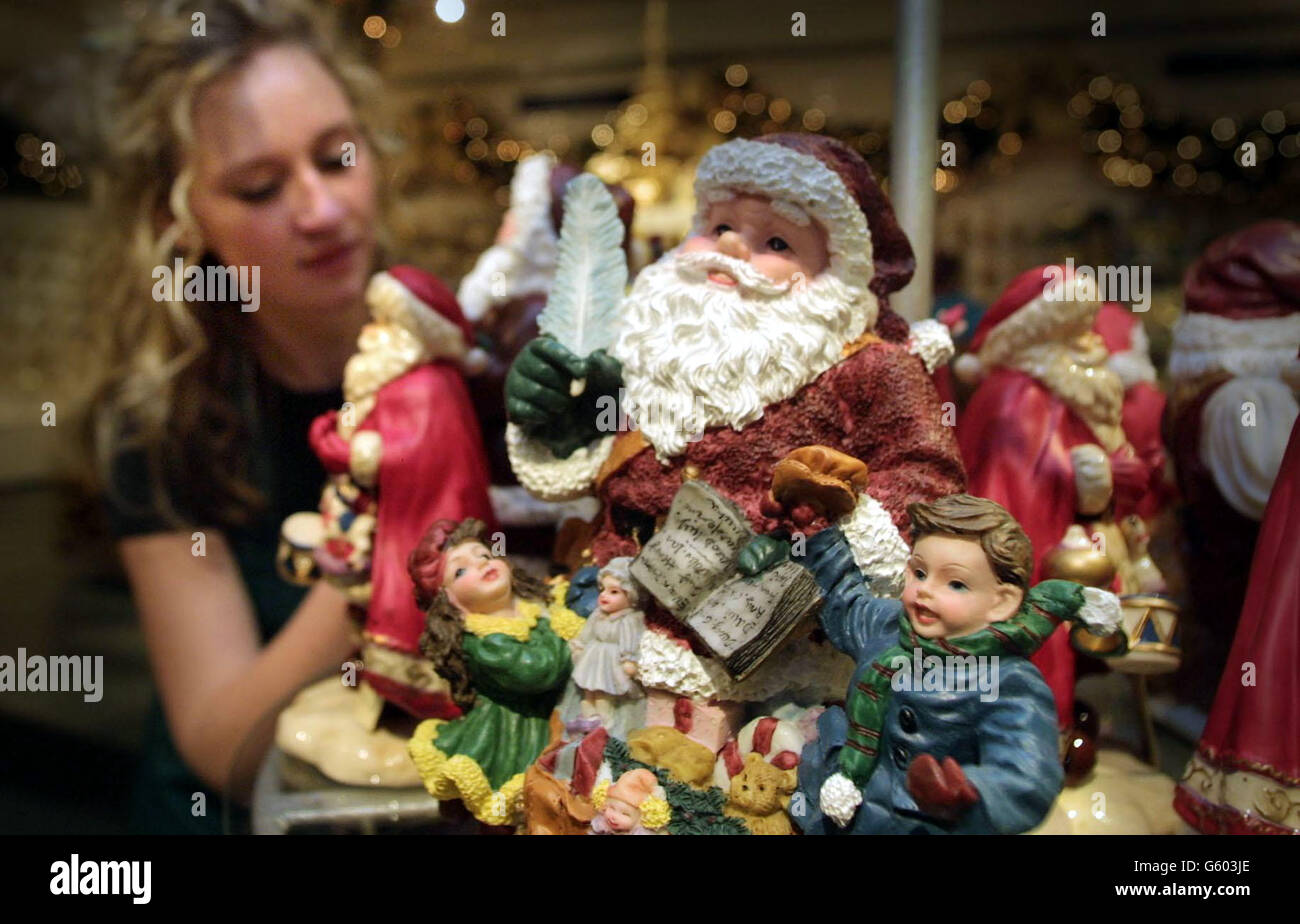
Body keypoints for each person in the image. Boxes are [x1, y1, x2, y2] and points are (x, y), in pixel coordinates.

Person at [85, 0, 477, 832]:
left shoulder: (461, 351)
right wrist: (384, 539)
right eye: (260, 186)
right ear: (178, 222)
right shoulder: (160, 425)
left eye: (337, 157)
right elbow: (223, 744)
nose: (322, 210)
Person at [794, 494, 1123, 835]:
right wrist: (816, 534)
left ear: (1001, 602)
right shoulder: (887, 626)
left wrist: (968, 793)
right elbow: (847, 602)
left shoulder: (1008, 680)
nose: (925, 591)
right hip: (840, 810)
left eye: (955, 584)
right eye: (919, 572)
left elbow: (1028, 770)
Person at [406, 518, 584, 827]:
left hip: (554, 715)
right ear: (451, 601)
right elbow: (538, 671)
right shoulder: (484, 642)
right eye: (460, 571)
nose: (479, 565)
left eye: (484, 555)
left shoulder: (534, 607)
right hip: (516, 733)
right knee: (520, 807)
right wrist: (560, 633)